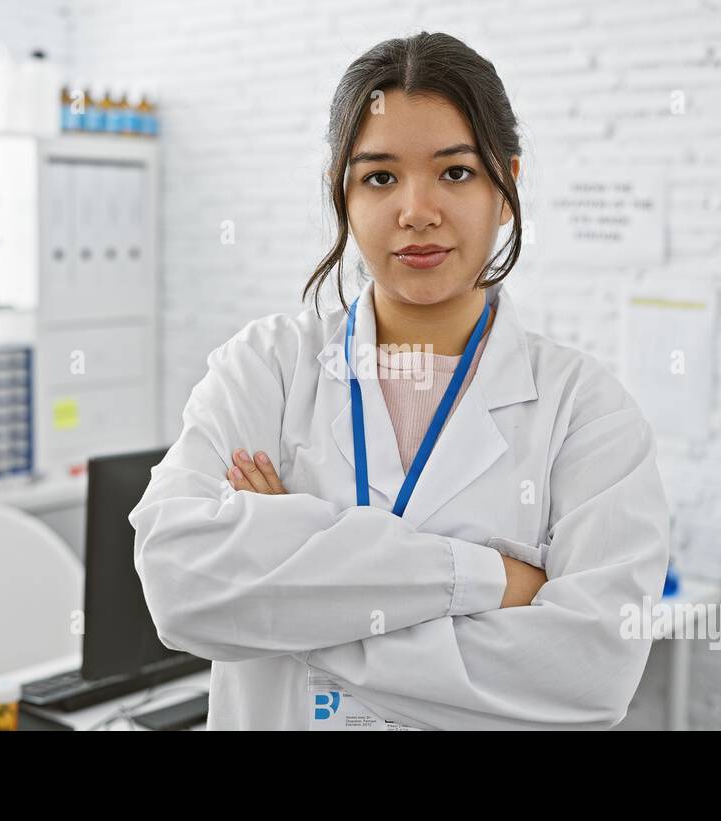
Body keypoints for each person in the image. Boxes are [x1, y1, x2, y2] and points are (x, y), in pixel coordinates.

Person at [129, 31, 670, 730]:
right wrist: (487, 580)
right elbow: (180, 585)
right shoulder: (263, 368)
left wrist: (287, 604)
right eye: (380, 177)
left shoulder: (586, 412)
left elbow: (589, 672)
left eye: (455, 172)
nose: (417, 210)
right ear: (343, 194)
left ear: (507, 187)